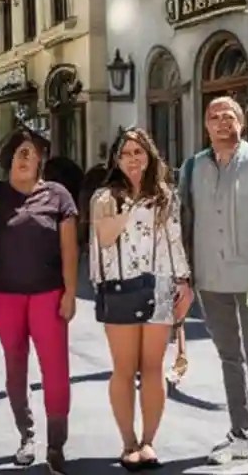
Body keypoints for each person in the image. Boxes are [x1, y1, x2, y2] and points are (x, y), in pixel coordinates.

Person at [177, 96, 248, 475]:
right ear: (206, 126)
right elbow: (183, 224)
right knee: (230, 359)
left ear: (242, 122)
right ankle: (241, 438)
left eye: (229, 115)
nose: (221, 121)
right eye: (214, 116)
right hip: (210, 282)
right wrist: (186, 279)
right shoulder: (192, 167)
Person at [88, 127, 192, 471]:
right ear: (116, 160)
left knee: (152, 368)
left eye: (139, 152)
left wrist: (184, 282)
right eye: (126, 153)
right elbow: (101, 243)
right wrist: (128, 208)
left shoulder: (166, 196)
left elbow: (174, 241)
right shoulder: (105, 197)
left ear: (150, 156)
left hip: (160, 287)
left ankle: (148, 441)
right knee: (123, 368)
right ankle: (128, 442)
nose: (133, 159)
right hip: (120, 287)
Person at [0, 127, 78, 474]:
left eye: (31, 152)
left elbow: (69, 248)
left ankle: (56, 446)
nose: (25, 158)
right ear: (8, 159)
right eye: (19, 152)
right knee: (14, 369)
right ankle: (26, 434)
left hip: (48, 294)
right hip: (5, 296)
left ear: (40, 160)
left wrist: (70, 291)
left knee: (56, 370)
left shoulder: (58, 195)